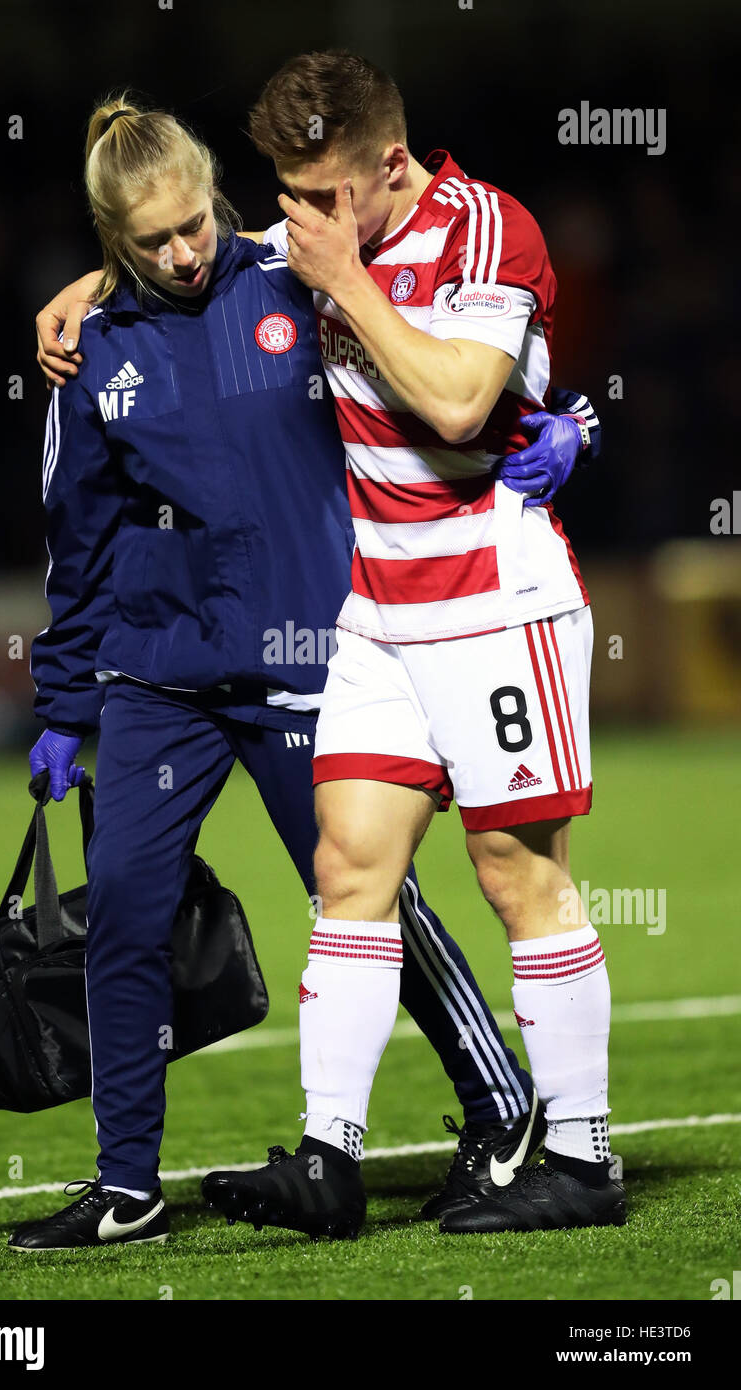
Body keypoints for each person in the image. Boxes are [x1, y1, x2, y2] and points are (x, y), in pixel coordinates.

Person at [15, 93, 597, 1250]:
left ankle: (497, 1116)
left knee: (367, 900)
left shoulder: (297, 274)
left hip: (307, 656)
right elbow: (74, 542)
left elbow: (462, 356)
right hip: (156, 676)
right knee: (124, 918)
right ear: (109, 244)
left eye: (193, 224)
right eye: (148, 244)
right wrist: (64, 707)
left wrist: (567, 419)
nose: (182, 253)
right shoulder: (90, 355)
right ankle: (126, 1182)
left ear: (216, 200)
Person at [200, 50, 624, 1238]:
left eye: (327, 190)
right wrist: (90, 288)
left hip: (494, 601)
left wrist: (347, 281)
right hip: (378, 614)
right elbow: (198, 263)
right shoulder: (312, 232)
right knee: (348, 869)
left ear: (391, 161)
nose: (306, 216)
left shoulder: (485, 228)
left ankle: (582, 1158)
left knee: (513, 874)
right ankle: (329, 1158)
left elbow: (455, 404)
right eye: (288, 192)